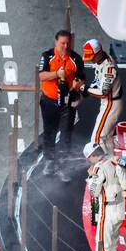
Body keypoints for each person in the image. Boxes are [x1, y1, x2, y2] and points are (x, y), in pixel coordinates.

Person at [38, 30, 85, 180]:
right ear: (56, 42)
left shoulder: (76, 58)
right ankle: (50, 162)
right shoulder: (47, 56)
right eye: (62, 43)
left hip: (67, 103)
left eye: (67, 43)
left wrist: (77, 87)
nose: (65, 46)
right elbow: (42, 75)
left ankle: (64, 166)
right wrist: (57, 74)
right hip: (49, 101)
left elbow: (82, 78)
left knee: (66, 135)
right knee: (49, 133)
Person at [85, 142, 126, 251]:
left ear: (92, 156)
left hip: (108, 211)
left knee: (102, 248)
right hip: (120, 209)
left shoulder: (98, 167)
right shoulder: (114, 159)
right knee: (111, 247)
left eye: (88, 158)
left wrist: (90, 176)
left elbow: (94, 192)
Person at [82, 39, 122, 151]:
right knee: (107, 137)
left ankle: (101, 164)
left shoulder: (109, 68)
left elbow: (103, 93)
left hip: (111, 103)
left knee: (97, 138)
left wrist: (83, 88)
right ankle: (110, 160)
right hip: (109, 102)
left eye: (92, 57)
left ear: (99, 52)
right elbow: (97, 82)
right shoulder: (100, 61)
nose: (91, 60)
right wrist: (85, 90)